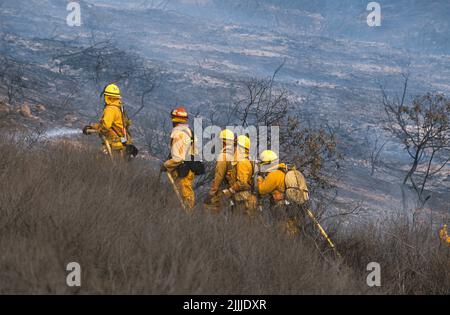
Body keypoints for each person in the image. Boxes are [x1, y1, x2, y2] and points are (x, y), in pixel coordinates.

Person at [83, 83, 136, 159]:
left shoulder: (110, 109)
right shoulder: (119, 107)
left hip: (114, 145)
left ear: (107, 97)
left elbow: (106, 126)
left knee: (97, 160)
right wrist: (92, 127)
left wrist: (94, 130)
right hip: (122, 143)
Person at [256, 150, 300, 236]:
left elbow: (262, 190)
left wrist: (259, 178)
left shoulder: (274, 175)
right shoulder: (283, 171)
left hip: (281, 208)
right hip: (292, 206)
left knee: (283, 231)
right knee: (292, 230)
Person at [160, 107, 196, 211]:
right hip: (188, 169)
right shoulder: (189, 131)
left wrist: (166, 165)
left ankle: (187, 217)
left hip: (183, 170)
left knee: (184, 196)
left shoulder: (179, 134)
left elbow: (178, 158)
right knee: (184, 194)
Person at [222, 135, 257, 217]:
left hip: (243, 199)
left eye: (235, 145)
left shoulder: (242, 162)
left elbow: (242, 182)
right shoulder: (242, 160)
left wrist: (230, 191)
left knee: (242, 223)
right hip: (241, 197)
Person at [204, 129, 236, 212]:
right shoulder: (237, 153)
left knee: (211, 205)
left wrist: (211, 193)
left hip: (228, 189)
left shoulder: (223, 156)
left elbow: (219, 176)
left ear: (223, 142)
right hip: (237, 188)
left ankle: (214, 223)